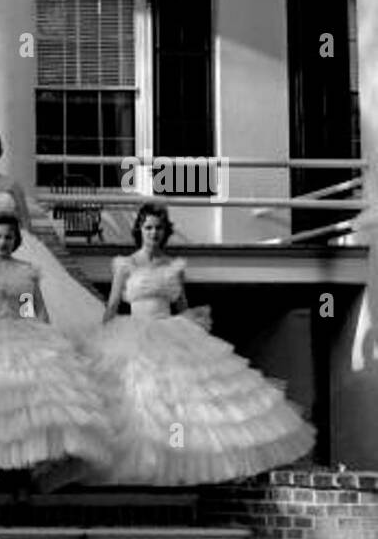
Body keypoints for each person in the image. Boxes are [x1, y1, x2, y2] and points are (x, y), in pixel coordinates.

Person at [91, 203, 315, 485]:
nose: (154, 233)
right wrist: (101, 340)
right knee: (138, 401)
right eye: (148, 227)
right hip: (134, 333)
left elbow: (183, 306)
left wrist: (193, 334)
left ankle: (175, 461)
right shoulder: (125, 265)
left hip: (170, 331)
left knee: (178, 403)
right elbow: (112, 306)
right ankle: (141, 463)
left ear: (165, 232)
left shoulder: (174, 267)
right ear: (139, 229)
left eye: (159, 228)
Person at [0, 212, 114, 490]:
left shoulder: (25, 272)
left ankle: (23, 468)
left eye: (8, 237)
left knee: (25, 401)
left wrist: (43, 335)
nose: (3, 242)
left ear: (16, 240)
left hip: (22, 330)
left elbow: (34, 309)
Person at [0, 128, 105, 337]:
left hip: (8, 242)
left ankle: (27, 331)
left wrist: (28, 249)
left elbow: (25, 223)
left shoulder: (11, 184)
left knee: (21, 293)